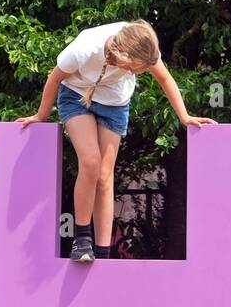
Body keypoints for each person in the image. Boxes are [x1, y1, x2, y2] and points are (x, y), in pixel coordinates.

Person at [16, 20, 216, 263]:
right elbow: (55, 78)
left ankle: (102, 252)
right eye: (131, 68)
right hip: (76, 96)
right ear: (121, 52)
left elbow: (165, 80)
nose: (132, 73)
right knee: (90, 162)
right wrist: (41, 115)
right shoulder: (85, 48)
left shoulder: (143, 45)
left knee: (104, 175)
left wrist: (185, 117)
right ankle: (81, 239)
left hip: (115, 105)